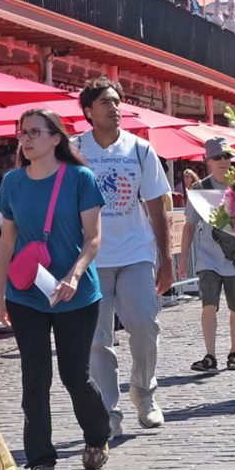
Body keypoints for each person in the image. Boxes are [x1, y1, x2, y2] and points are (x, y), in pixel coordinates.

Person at [0, 109, 110, 470]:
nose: (25, 140)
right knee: (35, 376)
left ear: (55, 138)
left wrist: (73, 276)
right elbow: (7, 240)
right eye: (22, 134)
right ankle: (40, 461)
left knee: (74, 374)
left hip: (75, 294)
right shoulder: (12, 182)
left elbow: (93, 238)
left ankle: (97, 434)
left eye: (34, 133)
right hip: (27, 293)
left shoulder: (80, 178)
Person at [75, 77, 173, 439]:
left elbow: (157, 206)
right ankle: (106, 411)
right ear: (88, 111)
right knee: (98, 339)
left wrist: (165, 259)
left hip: (135, 253)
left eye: (117, 102)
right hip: (92, 258)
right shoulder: (74, 150)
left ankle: (144, 392)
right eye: (105, 103)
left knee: (145, 325)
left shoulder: (140, 150)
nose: (114, 108)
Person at [179, 138, 235, 373]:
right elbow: (189, 225)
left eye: (226, 157)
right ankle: (210, 355)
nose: (222, 161)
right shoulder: (200, 189)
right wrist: (182, 260)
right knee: (209, 305)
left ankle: (234, 352)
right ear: (207, 161)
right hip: (209, 257)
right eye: (217, 157)